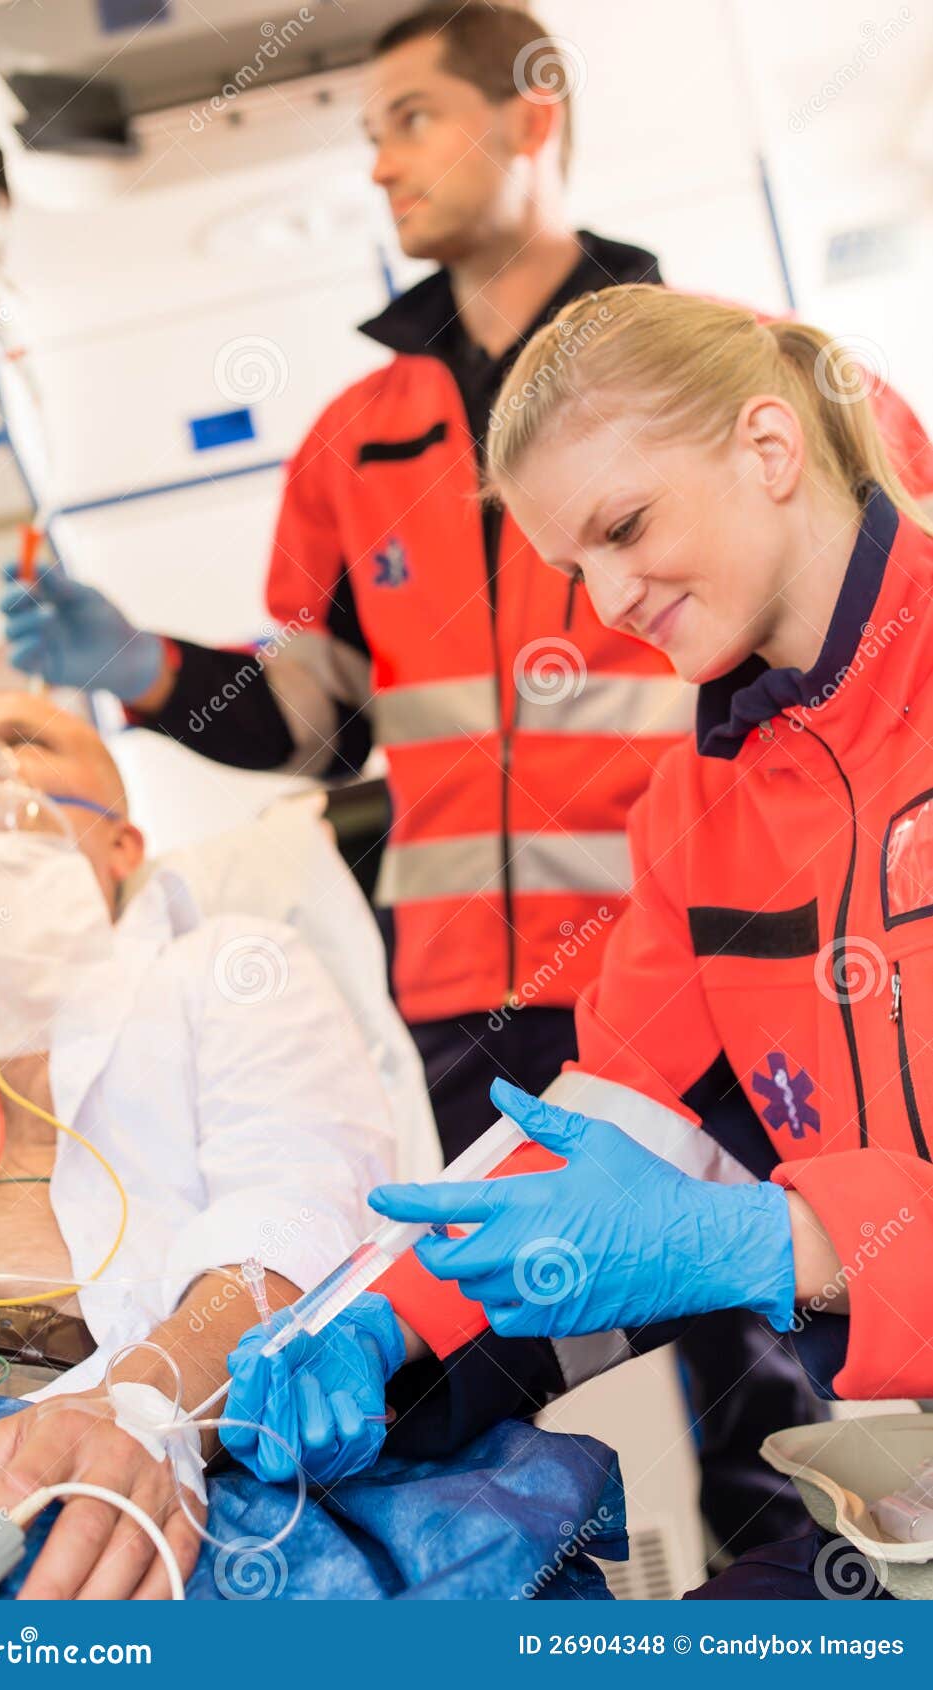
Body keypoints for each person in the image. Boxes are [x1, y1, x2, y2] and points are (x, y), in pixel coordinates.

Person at [284, 284, 933, 1596]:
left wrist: (776, 1241)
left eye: (625, 528)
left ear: (769, 447)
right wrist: (363, 1325)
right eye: (574, 565)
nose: (609, 600)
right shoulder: (702, 808)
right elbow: (611, 1115)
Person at [0, 690, 398, 1599]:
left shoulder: (221, 969)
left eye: (23, 741)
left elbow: (291, 1209)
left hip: (78, 1409)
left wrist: (148, 1404)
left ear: (124, 847)